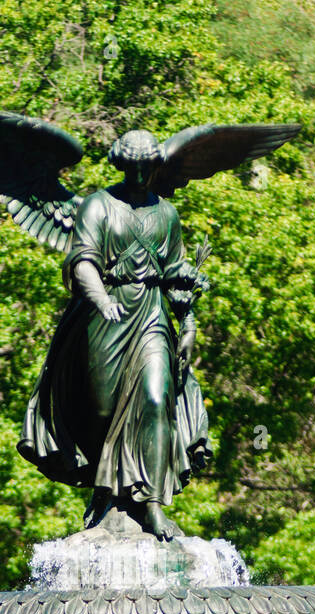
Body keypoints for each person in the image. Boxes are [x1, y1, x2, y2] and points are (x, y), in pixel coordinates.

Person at [19, 130, 211, 540]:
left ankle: (154, 503)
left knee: (157, 399)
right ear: (122, 164)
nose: (142, 175)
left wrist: (190, 319)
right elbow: (82, 261)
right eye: (134, 167)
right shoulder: (98, 206)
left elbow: (175, 275)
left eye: (148, 168)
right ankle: (105, 492)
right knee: (103, 411)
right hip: (106, 317)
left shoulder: (167, 214)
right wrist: (103, 299)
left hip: (153, 316)